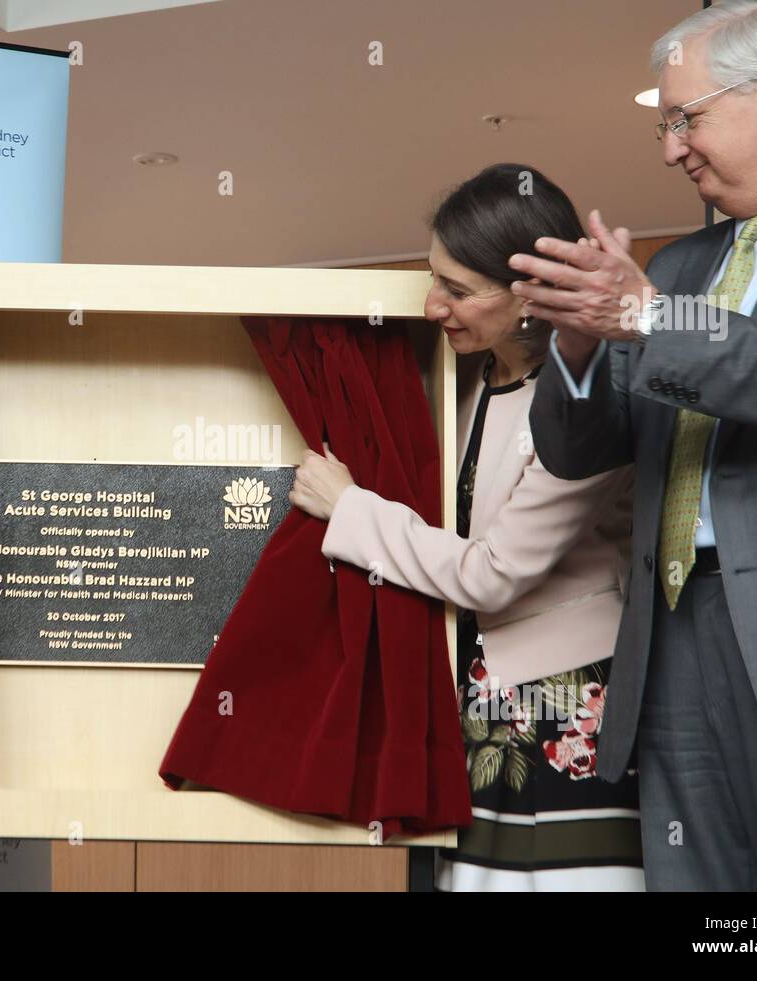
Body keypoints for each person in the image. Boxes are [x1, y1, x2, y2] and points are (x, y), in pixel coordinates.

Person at [519, 0, 757, 890]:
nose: (672, 147)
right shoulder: (681, 265)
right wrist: (576, 341)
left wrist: (645, 317)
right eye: (666, 125)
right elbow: (579, 451)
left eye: (687, 117)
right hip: (671, 638)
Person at [290, 164, 642, 890]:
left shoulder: (585, 407)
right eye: (433, 279)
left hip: (562, 705)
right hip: (476, 699)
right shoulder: (467, 381)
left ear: (527, 299)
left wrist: (350, 507)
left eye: (455, 288)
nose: (431, 304)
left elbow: (491, 572)